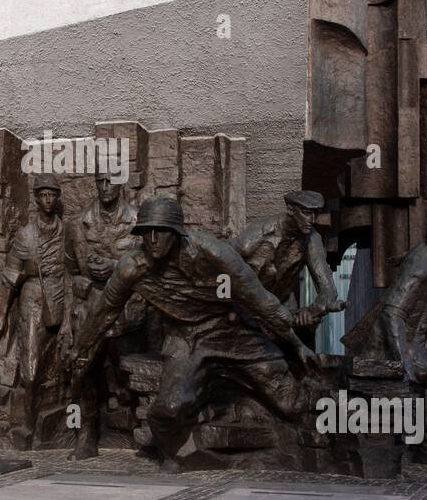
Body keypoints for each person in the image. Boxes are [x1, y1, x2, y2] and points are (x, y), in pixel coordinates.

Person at [67, 196, 312, 471]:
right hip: (184, 337)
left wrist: (297, 344)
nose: (153, 240)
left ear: (176, 233)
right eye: (146, 232)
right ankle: (188, 452)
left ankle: (224, 400)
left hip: (229, 330)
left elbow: (259, 299)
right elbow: (104, 312)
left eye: (160, 232)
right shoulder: (132, 267)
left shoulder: (212, 253)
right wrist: (80, 349)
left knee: (289, 401)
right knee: (167, 411)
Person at [340, 201, 427, 467]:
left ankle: (425, 447)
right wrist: (402, 359)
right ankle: (426, 448)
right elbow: (393, 312)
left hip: (412, 343)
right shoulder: (423, 260)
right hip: (388, 347)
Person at [64, 169, 141, 459]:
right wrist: (78, 282)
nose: (105, 187)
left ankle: (145, 433)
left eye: (111, 180)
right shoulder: (79, 223)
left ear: (121, 183)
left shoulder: (136, 220)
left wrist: (115, 267)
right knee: (83, 367)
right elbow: (69, 268)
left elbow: (148, 263)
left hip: (128, 303)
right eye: (100, 181)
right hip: (92, 304)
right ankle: (87, 435)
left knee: (130, 367)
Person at [0, 177, 69, 449]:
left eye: (52, 195)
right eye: (43, 195)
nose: (48, 200)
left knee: (64, 361)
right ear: (37, 199)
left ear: (57, 199)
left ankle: (59, 425)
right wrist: (2, 313)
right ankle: (28, 423)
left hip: (60, 299)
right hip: (33, 299)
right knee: (31, 369)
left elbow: (72, 269)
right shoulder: (25, 235)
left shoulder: (65, 233)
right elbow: (10, 276)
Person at [232, 189, 343, 348]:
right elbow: (225, 266)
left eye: (316, 214)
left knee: (303, 342)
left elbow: (328, 289)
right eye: (306, 213)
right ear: (291, 210)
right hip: (249, 305)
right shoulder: (257, 236)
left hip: (283, 304)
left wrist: (313, 311)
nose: (312, 220)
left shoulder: (311, 238)